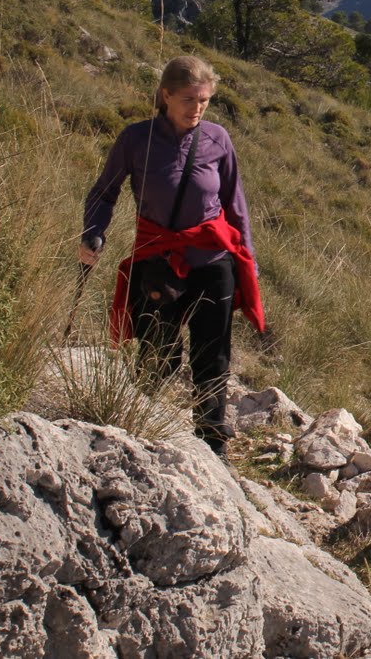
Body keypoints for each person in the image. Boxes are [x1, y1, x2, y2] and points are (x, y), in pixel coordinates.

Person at [81, 55, 264, 457]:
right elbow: (104, 192)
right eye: (188, 99)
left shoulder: (218, 139)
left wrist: (245, 259)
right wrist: (92, 232)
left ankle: (212, 443)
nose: (196, 108)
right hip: (158, 260)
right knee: (157, 354)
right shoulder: (136, 139)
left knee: (212, 354)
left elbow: (234, 203)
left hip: (213, 260)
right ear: (165, 95)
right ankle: (136, 428)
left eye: (204, 100)